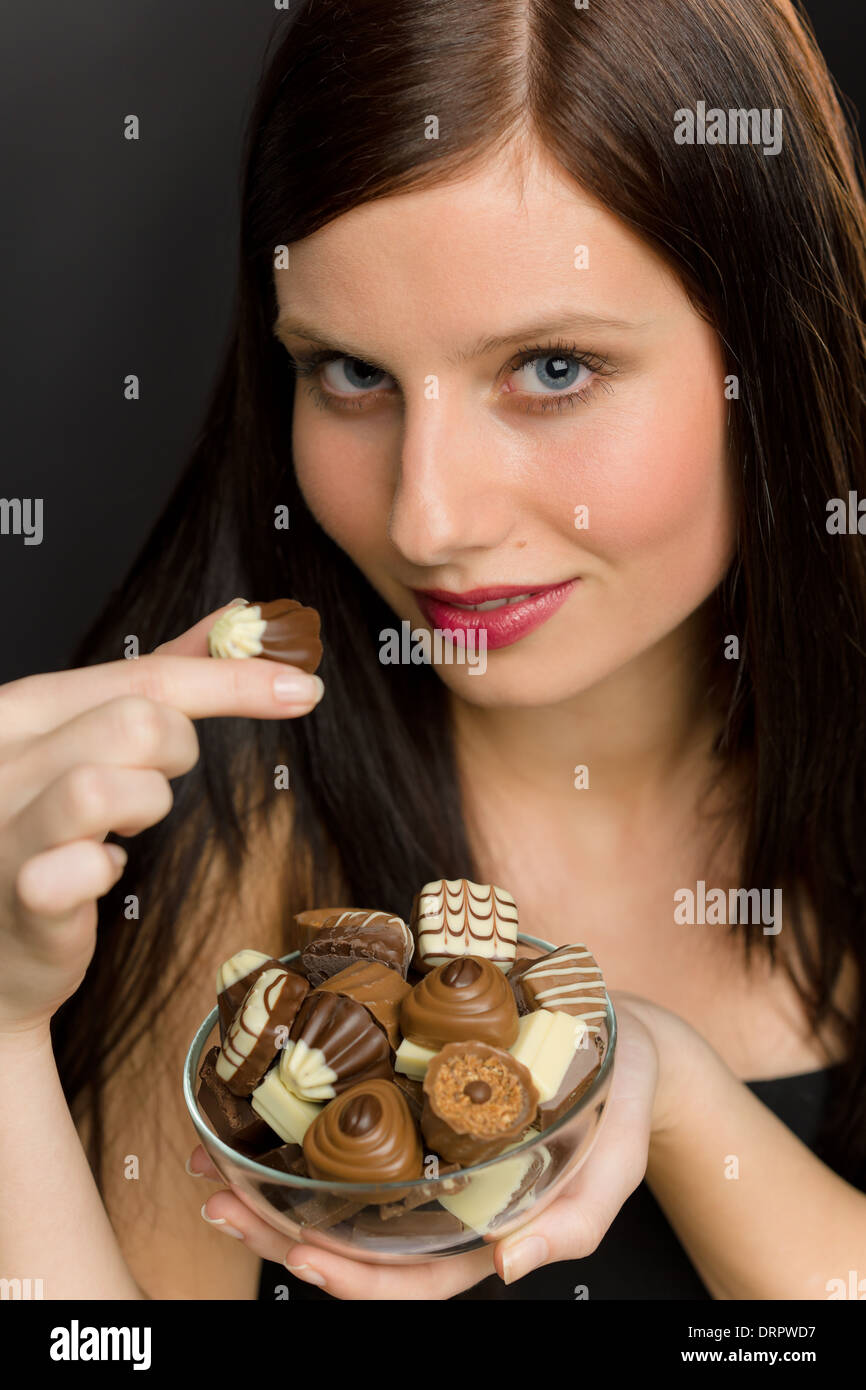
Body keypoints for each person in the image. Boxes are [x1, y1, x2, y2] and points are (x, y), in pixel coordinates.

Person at [1, 0, 864, 1301]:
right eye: (350, 372)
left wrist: (674, 1095)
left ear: (770, 363)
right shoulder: (235, 852)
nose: (425, 519)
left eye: (553, 368)